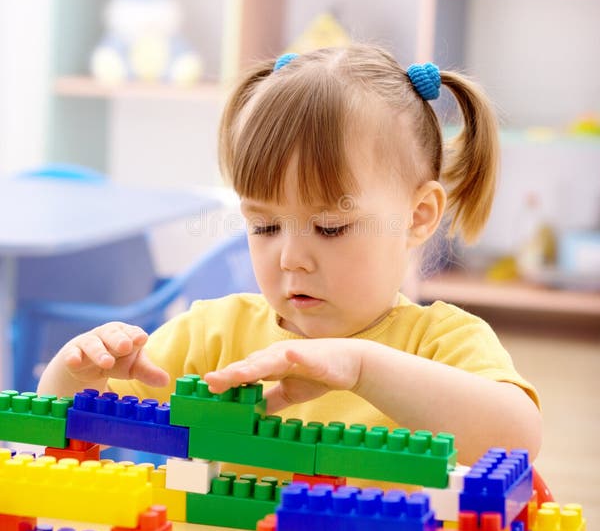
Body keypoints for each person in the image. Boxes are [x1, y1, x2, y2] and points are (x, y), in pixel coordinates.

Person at [38, 45, 541, 464]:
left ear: (418, 215)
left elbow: (517, 440)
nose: (291, 258)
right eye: (265, 225)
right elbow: (69, 432)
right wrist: (70, 372)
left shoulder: (441, 344)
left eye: (330, 226)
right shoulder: (215, 337)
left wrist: (363, 367)